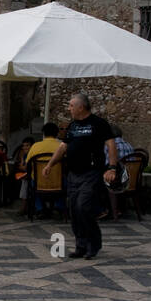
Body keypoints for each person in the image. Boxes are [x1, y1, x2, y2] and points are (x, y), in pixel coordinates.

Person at [42, 93, 117, 258]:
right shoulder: (73, 126)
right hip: (73, 174)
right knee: (74, 210)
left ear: (80, 107)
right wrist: (50, 164)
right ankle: (80, 245)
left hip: (91, 173)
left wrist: (112, 167)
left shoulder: (98, 124)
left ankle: (93, 244)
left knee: (84, 207)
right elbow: (63, 147)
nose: (69, 109)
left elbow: (111, 145)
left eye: (71, 105)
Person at [25, 123, 65, 217]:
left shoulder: (35, 146)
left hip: (39, 183)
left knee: (32, 182)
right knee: (65, 182)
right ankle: (58, 207)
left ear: (43, 133)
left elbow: (28, 164)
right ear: (57, 133)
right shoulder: (61, 146)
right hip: (58, 183)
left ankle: (40, 209)